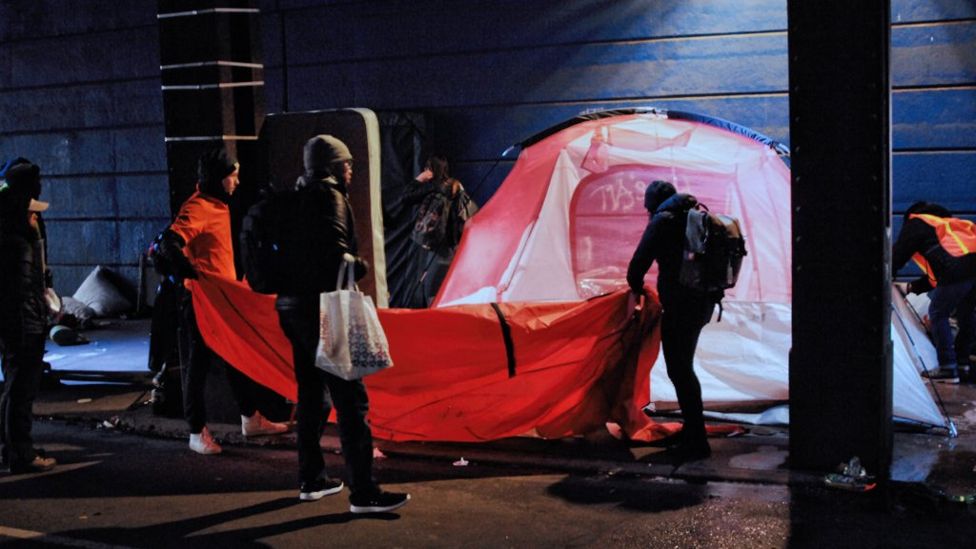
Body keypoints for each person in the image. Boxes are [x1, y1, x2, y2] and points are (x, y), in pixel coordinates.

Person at [274, 134, 409, 512]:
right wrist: (361, 265)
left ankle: (311, 479)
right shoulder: (329, 197)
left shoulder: (296, 194)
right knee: (352, 402)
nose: (351, 170)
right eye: (347, 164)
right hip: (323, 311)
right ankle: (364, 492)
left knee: (312, 396)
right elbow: (336, 258)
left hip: (291, 309)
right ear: (333, 166)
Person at [154, 148, 288, 454]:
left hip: (222, 300)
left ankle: (250, 418)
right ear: (218, 177)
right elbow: (172, 240)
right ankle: (195, 431)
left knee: (235, 356)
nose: (236, 182)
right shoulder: (200, 207)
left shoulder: (216, 204)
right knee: (198, 364)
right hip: (203, 302)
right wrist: (187, 269)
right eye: (232, 176)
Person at [626, 180, 720, 462]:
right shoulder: (696, 215)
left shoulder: (663, 220)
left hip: (680, 306)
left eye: (646, 207)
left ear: (653, 204)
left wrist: (637, 288)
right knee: (684, 369)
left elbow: (638, 264)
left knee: (680, 371)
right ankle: (693, 433)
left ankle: (697, 441)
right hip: (702, 303)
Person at [0, 158, 57, 473]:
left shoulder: (12, 219)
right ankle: (21, 453)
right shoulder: (16, 227)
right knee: (22, 386)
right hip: (22, 315)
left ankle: (11, 447)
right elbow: (24, 279)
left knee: (14, 382)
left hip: (20, 313)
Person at [892, 201, 976, 384]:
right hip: (971, 269)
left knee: (938, 314)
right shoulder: (950, 227)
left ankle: (947, 368)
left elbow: (898, 254)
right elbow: (935, 278)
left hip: (957, 271)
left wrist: (888, 276)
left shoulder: (917, 222)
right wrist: (911, 288)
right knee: (967, 315)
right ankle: (962, 364)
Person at [404, 154, 476, 306]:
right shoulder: (456, 187)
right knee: (437, 291)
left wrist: (419, 179)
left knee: (430, 291)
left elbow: (406, 198)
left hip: (436, 249)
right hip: (450, 249)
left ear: (431, 169)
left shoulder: (433, 188)